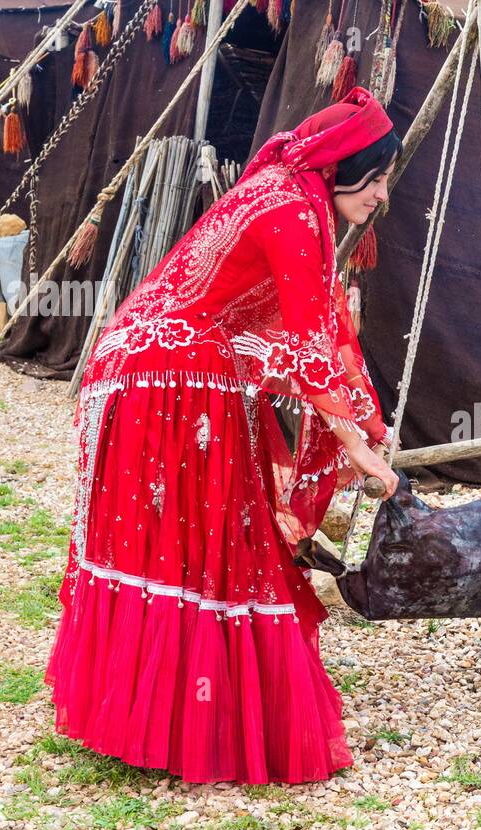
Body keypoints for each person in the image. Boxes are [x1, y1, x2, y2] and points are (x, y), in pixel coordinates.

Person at [46, 88, 400, 785]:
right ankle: (200, 727)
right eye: (377, 177)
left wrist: (358, 429)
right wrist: (356, 441)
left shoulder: (282, 187)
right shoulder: (295, 210)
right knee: (216, 545)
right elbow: (306, 343)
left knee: (172, 543)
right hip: (172, 375)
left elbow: (308, 334)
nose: (382, 196)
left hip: (140, 367)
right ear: (341, 165)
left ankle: (160, 718)